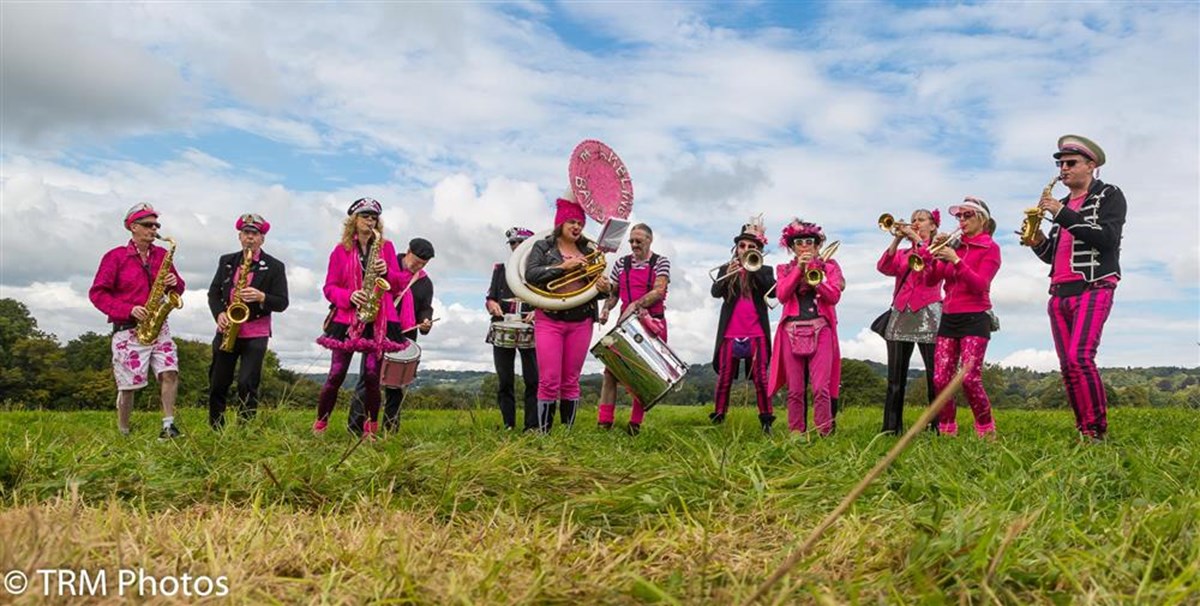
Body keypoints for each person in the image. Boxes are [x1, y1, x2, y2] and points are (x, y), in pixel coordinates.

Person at [1027, 135, 1126, 441]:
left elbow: (1105, 239)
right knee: (1068, 365)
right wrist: (1038, 242)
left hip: (1094, 286)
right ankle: (1083, 429)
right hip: (1059, 292)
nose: (1063, 169)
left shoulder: (1109, 195)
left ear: (1091, 166)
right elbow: (1052, 257)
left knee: (1081, 357)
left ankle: (1097, 430)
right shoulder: (1065, 206)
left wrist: (1059, 212)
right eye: (1061, 163)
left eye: (1070, 163)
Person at [312, 198, 409, 439]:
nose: (370, 221)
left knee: (372, 376)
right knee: (336, 374)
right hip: (347, 318)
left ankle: (370, 430)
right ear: (353, 220)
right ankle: (320, 425)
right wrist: (348, 295)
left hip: (378, 319)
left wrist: (387, 270)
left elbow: (398, 283)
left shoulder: (385, 247)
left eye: (373, 217)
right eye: (365, 216)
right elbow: (329, 287)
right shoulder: (340, 250)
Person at [88, 203, 186, 439]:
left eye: (156, 225)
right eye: (148, 225)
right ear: (133, 227)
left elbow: (178, 289)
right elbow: (97, 293)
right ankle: (123, 430)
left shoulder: (162, 255)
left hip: (159, 327)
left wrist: (174, 282)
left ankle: (168, 425)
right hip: (128, 330)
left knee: (170, 371)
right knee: (128, 386)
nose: (154, 229)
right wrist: (128, 309)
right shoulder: (115, 257)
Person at [524, 195, 611, 432]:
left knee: (571, 380)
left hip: (581, 319)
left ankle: (567, 433)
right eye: (572, 222)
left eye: (580, 224)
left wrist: (605, 289)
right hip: (549, 318)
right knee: (549, 379)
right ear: (560, 223)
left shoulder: (588, 249)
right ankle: (544, 433)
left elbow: (597, 288)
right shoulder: (543, 246)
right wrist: (562, 268)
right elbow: (531, 275)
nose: (576, 227)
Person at [916, 197, 1001, 437]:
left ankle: (985, 428)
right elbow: (932, 281)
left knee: (970, 379)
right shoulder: (956, 245)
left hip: (975, 316)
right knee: (941, 378)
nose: (961, 220)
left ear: (981, 219)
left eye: (967, 215)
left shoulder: (990, 248)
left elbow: (980, 285)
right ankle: (947, 428)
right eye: (959, 216)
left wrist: (956, 260)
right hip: (949, 316)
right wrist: (931, 260)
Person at [205, 213, 289, 430]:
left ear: (262, 238)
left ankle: (246, 428)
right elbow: (213, 293)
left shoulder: (274, 266)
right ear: (239, 236)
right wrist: (219, 314)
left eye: (255, 234)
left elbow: (282, 302)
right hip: (226, 328)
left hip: (256, 331)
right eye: (246, 233)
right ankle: (216, 426)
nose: (250, 238)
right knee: (218, 382)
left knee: (246, 383)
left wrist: (262, 297)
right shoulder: (227, 261)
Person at [349, 237, 435, 435]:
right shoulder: (386, 265)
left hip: (405, 335)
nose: (418, 266)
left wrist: (426, 321)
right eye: (416, 262)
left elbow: (425, 308)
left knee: (396, 385)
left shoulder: (424, 282)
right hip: (378, 328)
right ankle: (355, 428)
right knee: (368, 379)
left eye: (423, 264)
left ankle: (391, 430)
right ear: (408, 252)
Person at [767, 219, 844, 436]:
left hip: (822, 329)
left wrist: (816, 279)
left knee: (821, 387)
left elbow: (834, 296)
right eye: (798, 243)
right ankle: (796, 433)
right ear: (792, 248)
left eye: (809, 242)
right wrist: (799, 269)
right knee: (795, 390)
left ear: (817, 246)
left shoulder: (831, 266)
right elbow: (782, 295)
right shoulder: (783, 269)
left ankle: (824, 432)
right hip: (791, 330)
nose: (804, 246)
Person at [597, 223, 671, 435]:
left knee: (642, 374)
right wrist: (606, 309)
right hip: (624, 324)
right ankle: (604, 422)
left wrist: (635, 305)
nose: (634, 244)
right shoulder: (621, 263)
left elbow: (659, 290)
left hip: (651, 323)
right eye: (631, 241)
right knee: (610, 372)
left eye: (639, 241)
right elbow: (614, 293)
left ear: (650, 241)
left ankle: (635, 424)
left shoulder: (661, 262)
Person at [876, 208, 943, 434]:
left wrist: (917, 240)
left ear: (933, 225)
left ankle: (937, 426)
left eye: (921, 220)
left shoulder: (940, 247)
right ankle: (891, 428)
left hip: (928, 314)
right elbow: (884, 267)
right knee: (895, 378)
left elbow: (935, 268)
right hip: (901, 314)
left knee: (935, 376)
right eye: (913, 220)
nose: (916, 223)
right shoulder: (903, 254)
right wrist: (897, 239)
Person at [709, 216, 777, 434]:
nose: (745, 249)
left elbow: (774, 291)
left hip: (756, 333)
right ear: (736, 248)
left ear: (758, 249)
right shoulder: (726, 268)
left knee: (761, 380)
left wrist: (753, 269)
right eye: (742, 246)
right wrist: (730, 273)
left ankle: (766, 421)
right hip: (730, 333)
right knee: (724, 379)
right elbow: (715, 292)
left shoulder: (764, 270)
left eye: (751, 246)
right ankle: (719, 416)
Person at [486, 227, 539, 431]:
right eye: (513, 243)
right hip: (504, 326)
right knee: (505, 379)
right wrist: (491, 305)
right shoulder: (501, 268)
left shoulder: (537, 270)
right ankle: (508, 423)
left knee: (533, 379)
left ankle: (532, 426)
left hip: (530, 328)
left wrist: (538, 312)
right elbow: (490, 296)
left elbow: (548, 300)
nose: (515, 246)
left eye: (519, 243)